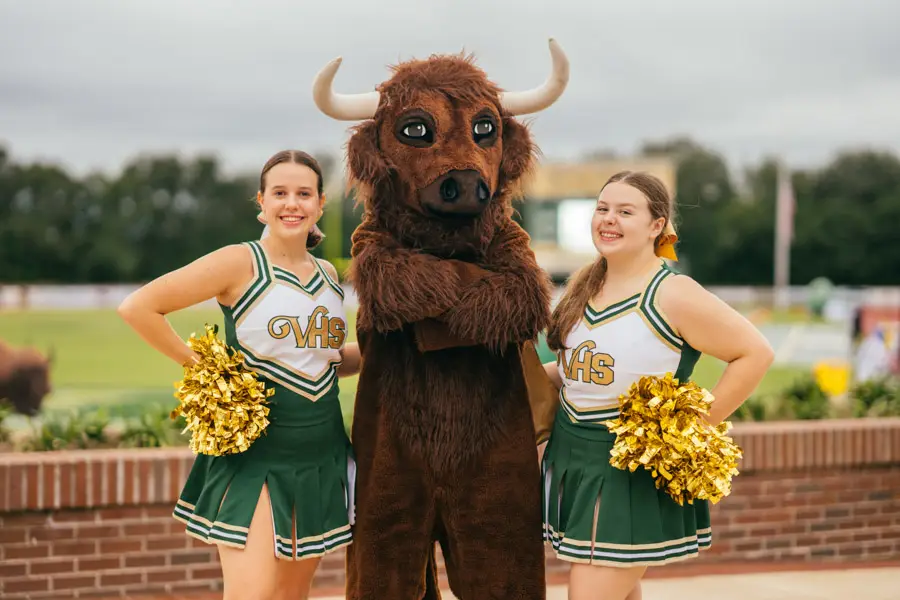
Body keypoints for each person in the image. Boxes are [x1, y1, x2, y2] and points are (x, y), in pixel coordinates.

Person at [118, 150, 360, 600]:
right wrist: (209, 373)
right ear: (261, 202)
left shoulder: (328, 274)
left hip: (320, 452)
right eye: (280, 193)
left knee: (292, 595)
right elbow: (138, 307)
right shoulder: (239, 262)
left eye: (304, 194)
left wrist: (392, 347)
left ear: (321, 204)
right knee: (254, 593)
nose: (293, 204)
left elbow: (325, 361)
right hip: (257, 457)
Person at [540, 170, 774, 600]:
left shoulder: (673, 293)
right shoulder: (583, 286)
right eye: (602, 209)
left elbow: (755, 353)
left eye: (625, 212)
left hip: (625, 472)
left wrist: (693, 428)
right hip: (572, 457)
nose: (608, 220)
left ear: (657, 226)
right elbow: (574, 374)